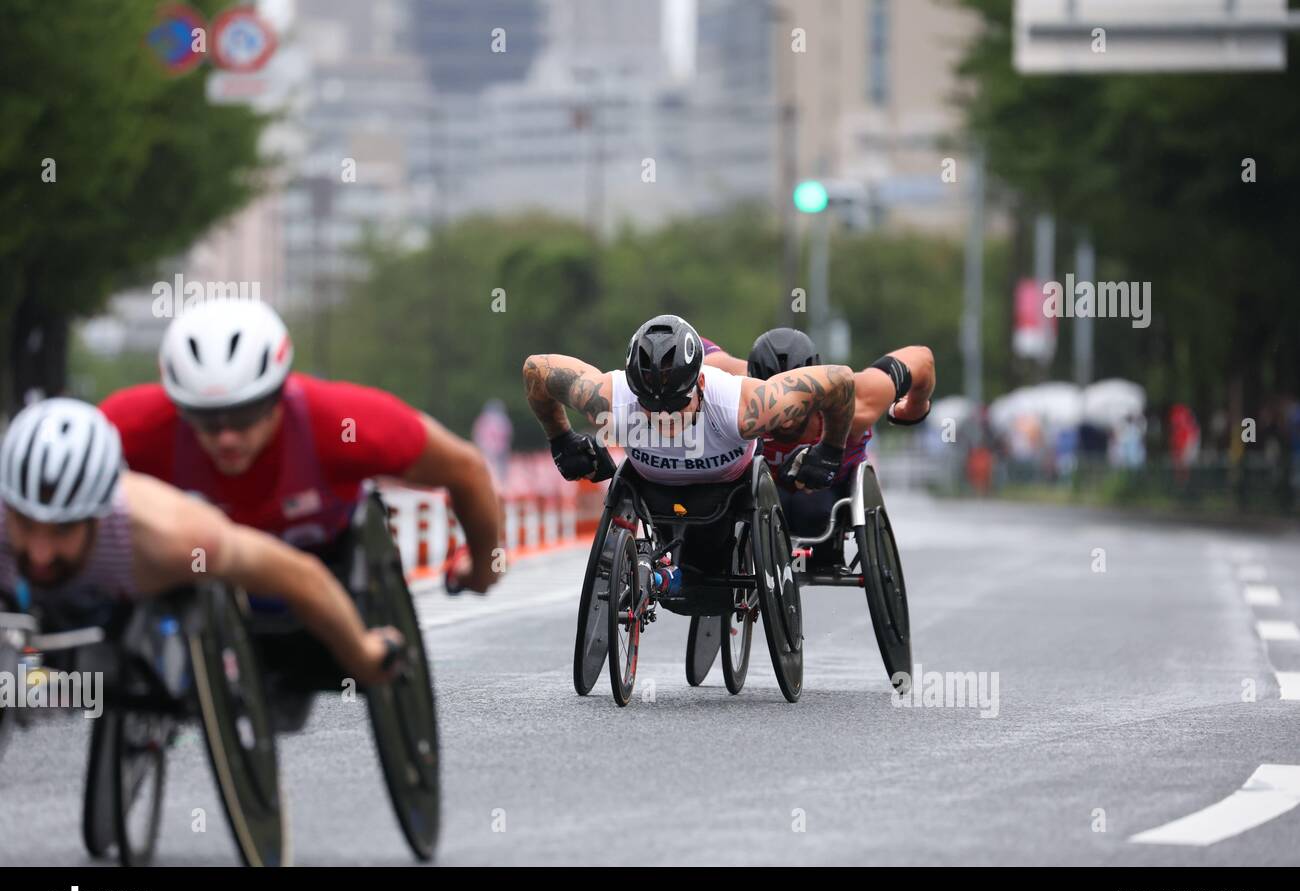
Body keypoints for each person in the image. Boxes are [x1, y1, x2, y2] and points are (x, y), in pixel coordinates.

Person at [99, 298, 501, 593]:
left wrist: (482, 569)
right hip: (194, 572)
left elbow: (465, 469)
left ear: (278, 394)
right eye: (205, 419)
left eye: (243, 415)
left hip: (324, 562)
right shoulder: (132, 425)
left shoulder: (341, 422)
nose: (226, 437)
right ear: (177, 404)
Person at [0, 398, 400, 686]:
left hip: (137, 592)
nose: (39, 553)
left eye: (62, 531)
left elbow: (298, 575)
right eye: (25, 524)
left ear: (98, 515)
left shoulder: (178, 536)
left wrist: (362, 654)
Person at [522, 315, 856, 585]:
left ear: (701, 382)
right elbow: (535, 368)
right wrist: (561, 439)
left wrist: (830, 449)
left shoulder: (744, 407)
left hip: (728, 493)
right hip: (652, 491)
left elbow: (840, 380)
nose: (664, 415)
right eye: (650, 405)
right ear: (633, 389)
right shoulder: (608, 399)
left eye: (676, 404)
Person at [700, 328, 934, 561]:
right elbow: (681, 342)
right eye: (774, 406)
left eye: (797, 404)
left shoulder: (858, 400)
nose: (787, 419)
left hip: (825, 496)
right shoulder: (731, 385)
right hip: (757, 495)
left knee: (809, 509)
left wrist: (914, 407)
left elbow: (922, 359)